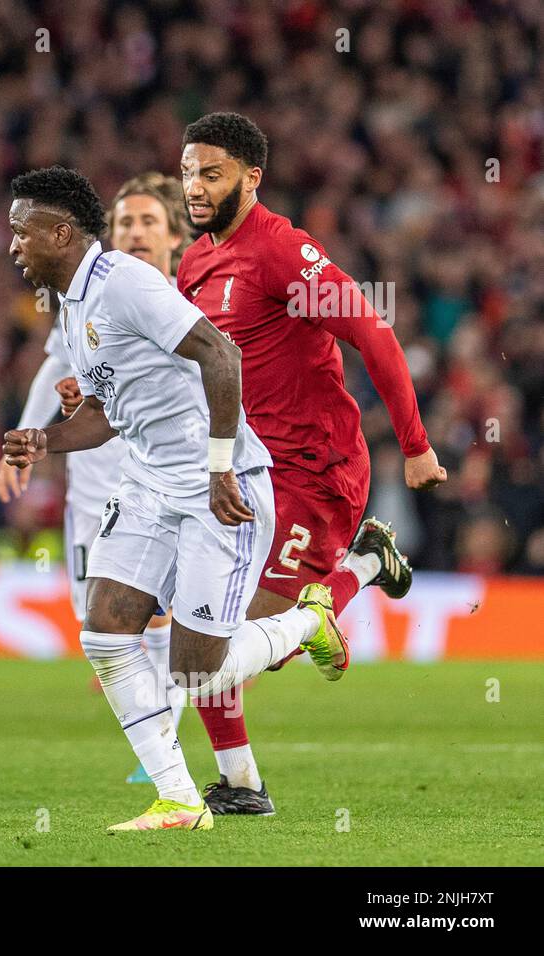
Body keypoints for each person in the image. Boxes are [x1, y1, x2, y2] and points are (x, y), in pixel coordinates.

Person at [3, 165, 348, 832]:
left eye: (22, 233)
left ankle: (309, 620)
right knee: (105, 631)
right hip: (151, 484)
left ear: (62, 232)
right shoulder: (73, 308)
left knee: (196, 674)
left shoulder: (126, 284)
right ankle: (180, 800)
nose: (13, 246)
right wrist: (44, 440)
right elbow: (106, 410)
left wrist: (221, 469)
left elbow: (221, 355)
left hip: (221, 486)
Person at [175, 113, 444, 813]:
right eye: (188, 173)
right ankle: (241, 789)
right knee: (202, 637)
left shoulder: (283, 253)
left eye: (212, 174)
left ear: (251, 177)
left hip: (311, 473)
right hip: (240, 474)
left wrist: (415, 446)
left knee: (233, 643)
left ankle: (355, 570)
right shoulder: (196, 262)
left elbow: (373, 334)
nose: (195, 188)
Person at [0, 172, 193, 785]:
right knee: (106, 618)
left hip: (173, 472)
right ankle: (159, 731)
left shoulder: (172, 291)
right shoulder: (83, 297)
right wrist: (39, 433)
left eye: (148, 223)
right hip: (98, 471)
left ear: (175, 237)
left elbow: (211, 362)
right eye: (126, 222)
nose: (134, 232)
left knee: (165, 619)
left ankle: (163, 745)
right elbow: (78, 372)